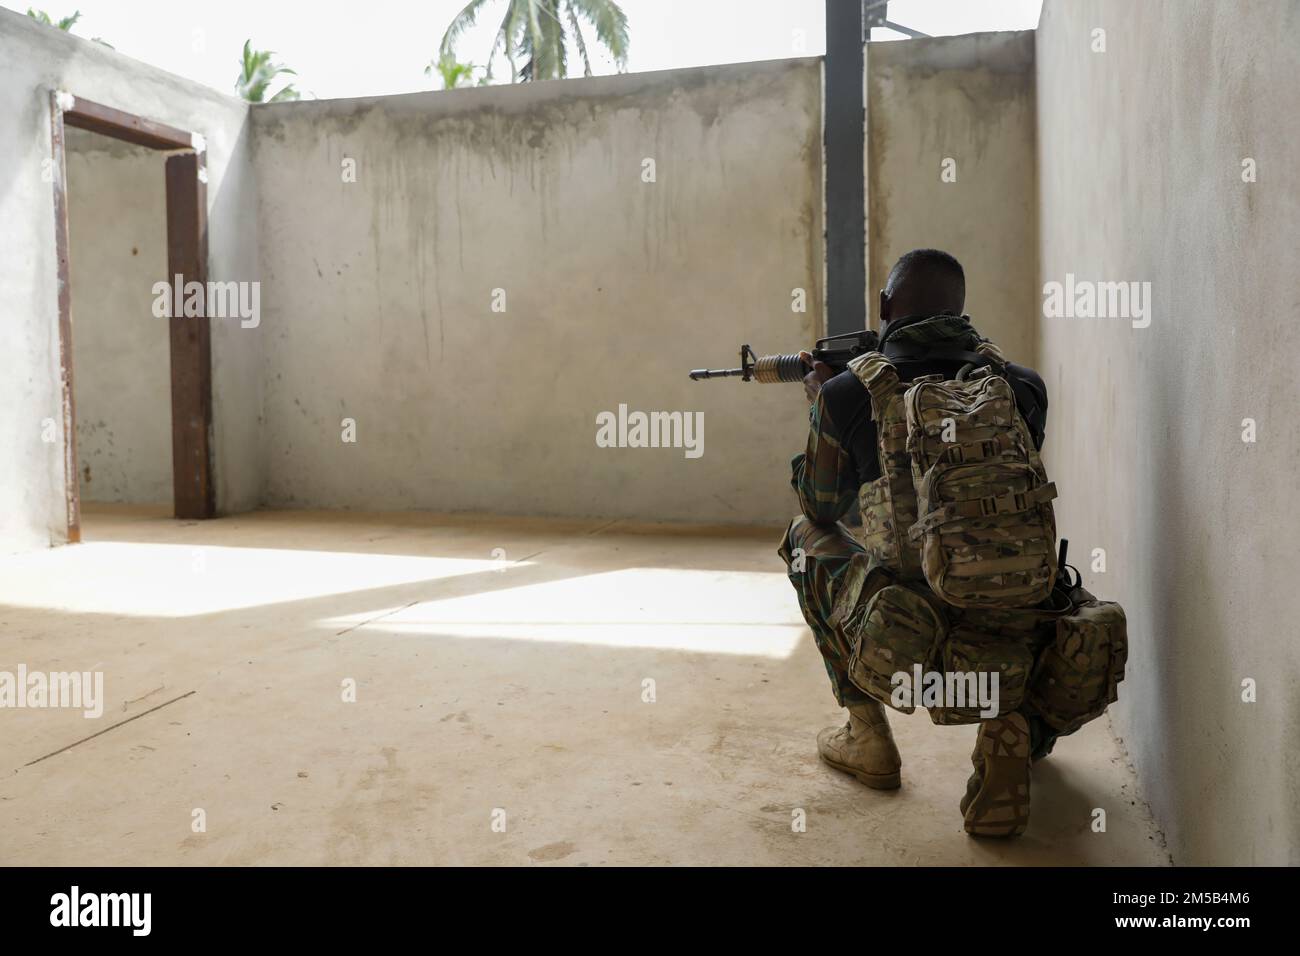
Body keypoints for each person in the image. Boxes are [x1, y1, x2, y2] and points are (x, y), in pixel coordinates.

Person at [778, 248, 1052, 835]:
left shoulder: (848, 393)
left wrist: (822, 406)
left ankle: (867, 735)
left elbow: (822, 507)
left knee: (803, 538)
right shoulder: (1021, 386)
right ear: (961, 307)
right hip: (1013, 615)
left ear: (884, 307)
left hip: (905, 628)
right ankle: (1012, 724)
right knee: (1007, 556)